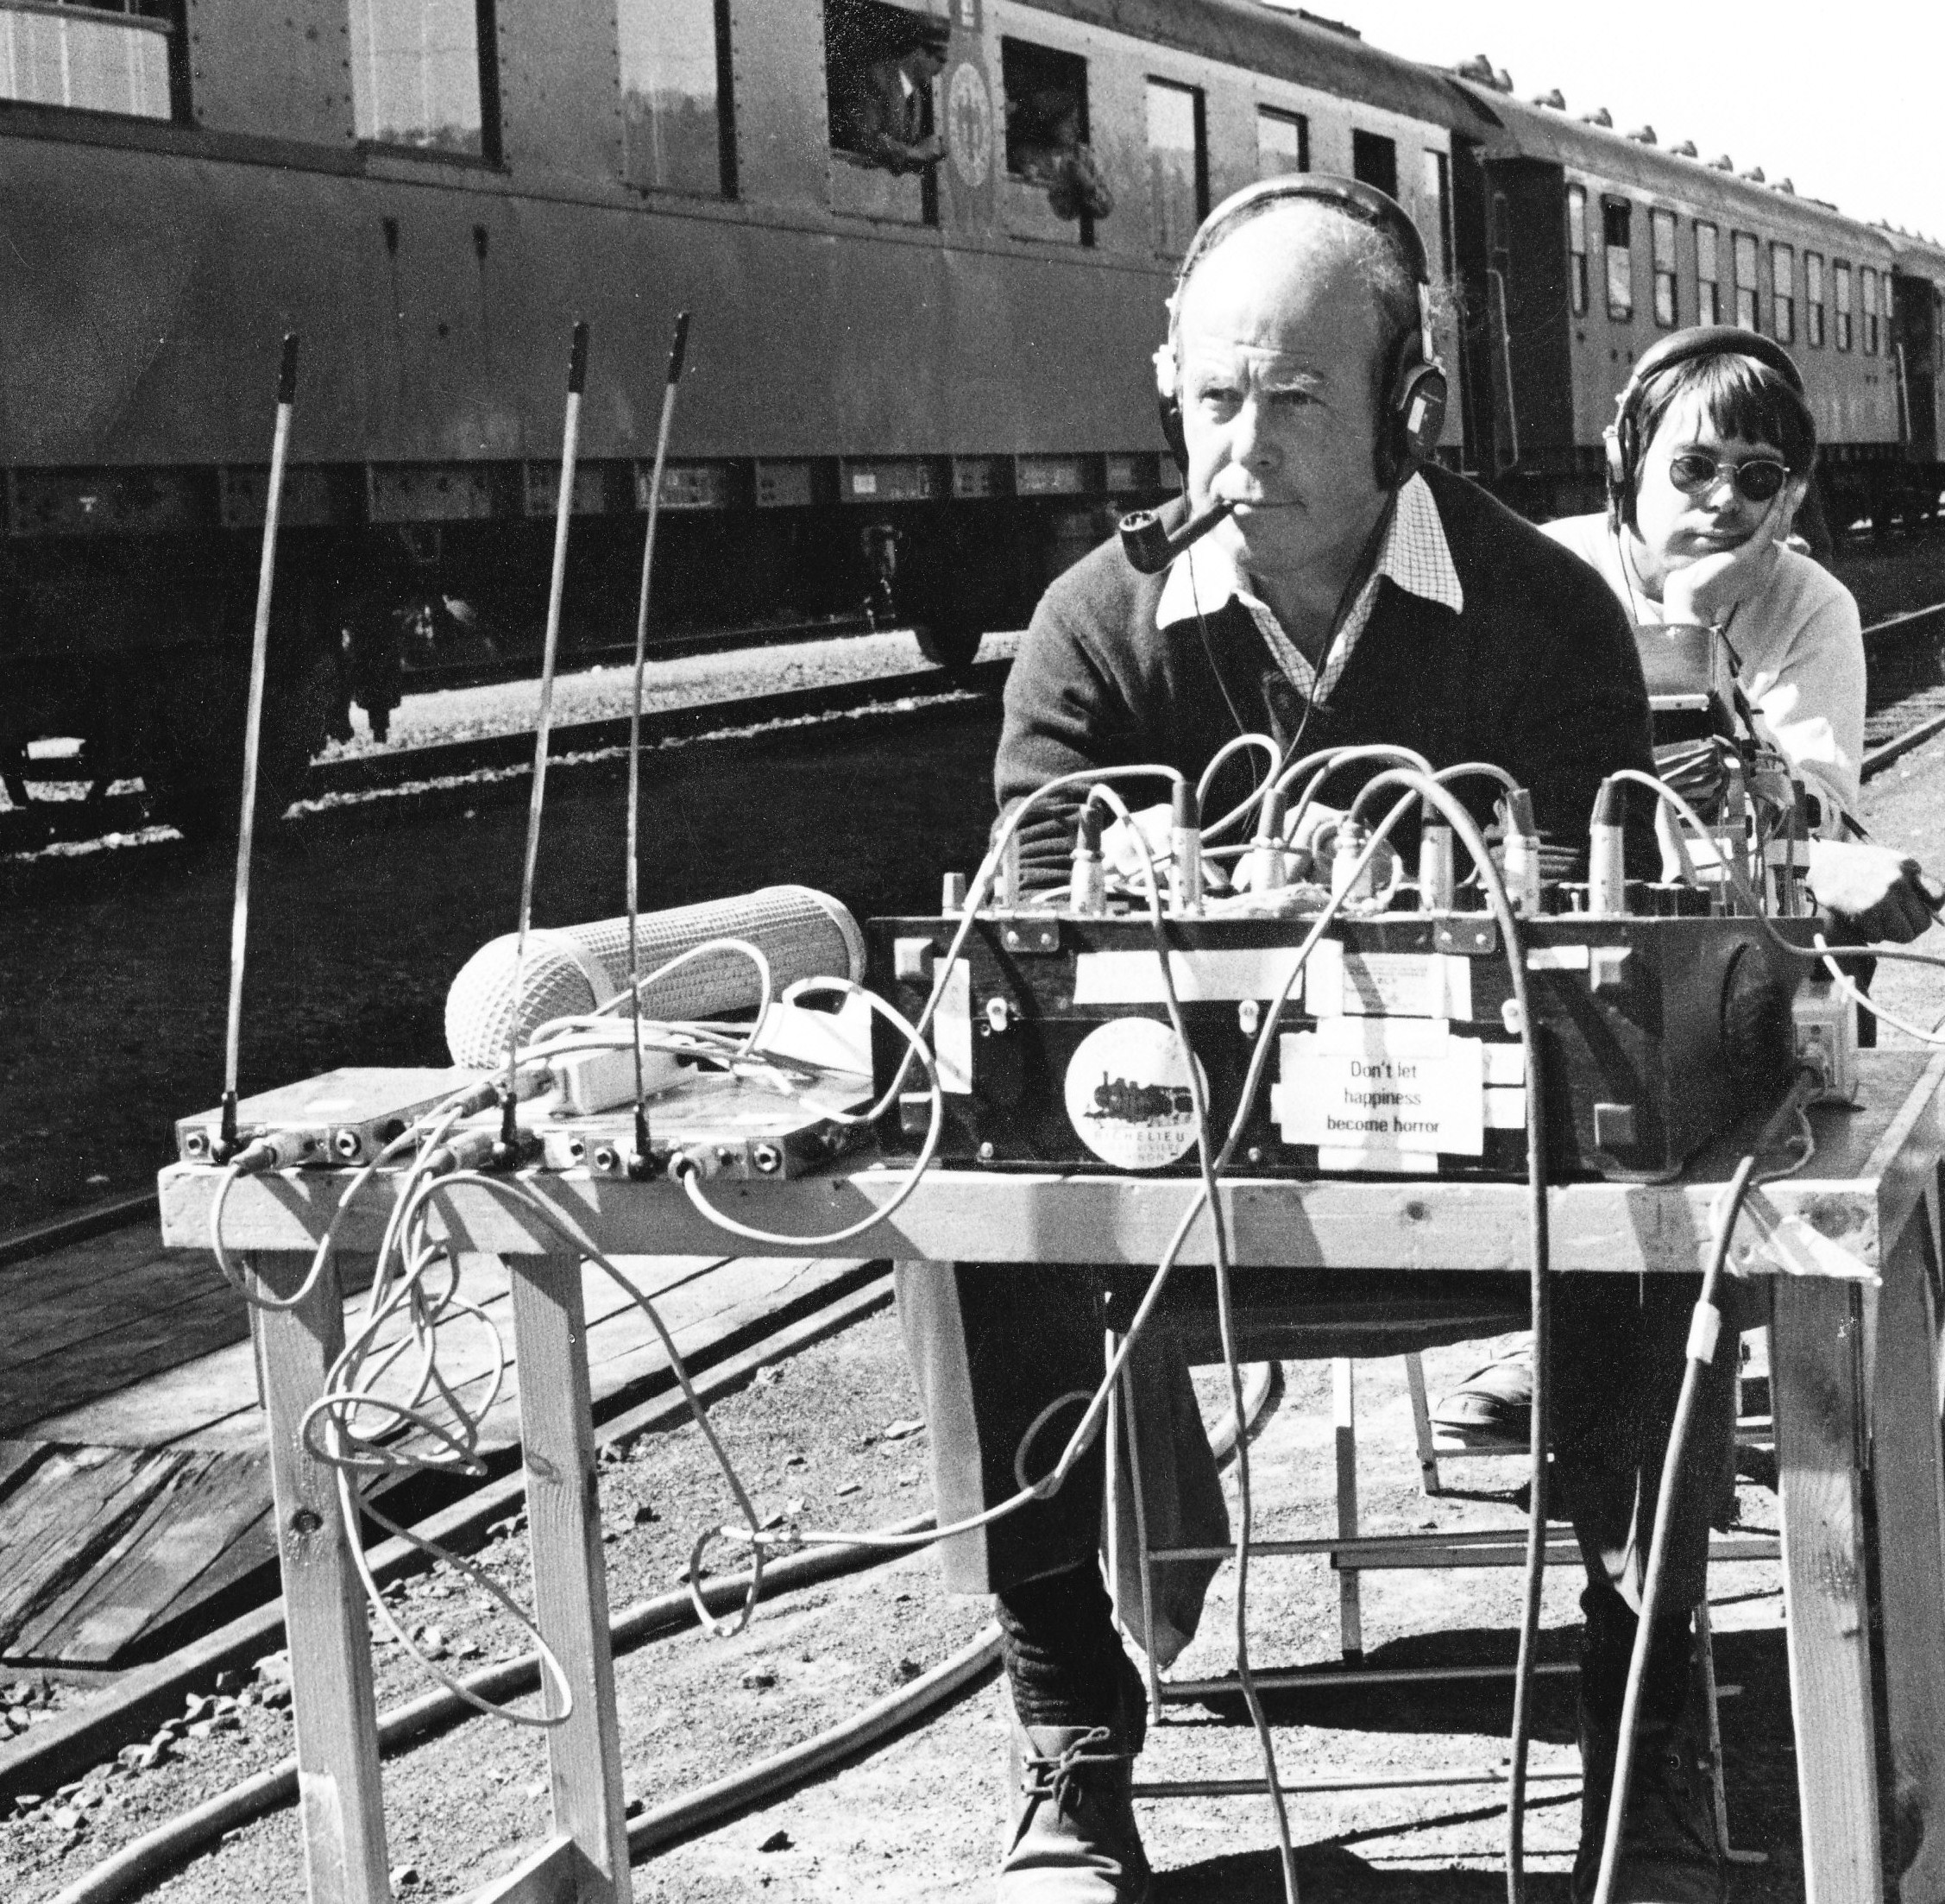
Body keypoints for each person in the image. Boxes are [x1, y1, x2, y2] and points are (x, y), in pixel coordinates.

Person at [897, 177, 1730, 1904]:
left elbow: (1603, 932)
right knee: (975, 1205)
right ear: (1166, 389)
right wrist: (1115, 882)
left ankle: (1643, 1720)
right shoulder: (1091, 622)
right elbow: (1024, 915)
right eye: (1213, 396)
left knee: (1654, 1186)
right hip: (1181, 1183)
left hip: (1497, 1170)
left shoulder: (1539, 609)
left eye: (1291, 398)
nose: (1243, 440)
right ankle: (1069, 1736)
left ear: (1405, 408)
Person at [1434, 329, 1941, 1449]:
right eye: (1693, 466)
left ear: (1791, 495)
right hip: (1548, 953)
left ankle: (1657, 1368)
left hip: (1737, 960)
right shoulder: (1540, 570)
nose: (1722, 499)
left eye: (1757, 479)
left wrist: (1697, 629)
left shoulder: (1807, 604)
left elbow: (1806, 836)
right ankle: (1607, 1365)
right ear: (1625, 457)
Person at [830, 17, 947, 175]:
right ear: (919, 53)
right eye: (940, 59)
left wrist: (926, 148)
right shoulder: (877, 78)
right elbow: (866, 138)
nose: (941, 69)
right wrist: (915, 152)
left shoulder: (916, 96)